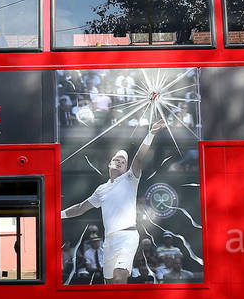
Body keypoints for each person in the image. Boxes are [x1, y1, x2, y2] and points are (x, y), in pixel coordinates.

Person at [61, 120, 166, 283]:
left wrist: (151, 133)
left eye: (123, 162)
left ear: (126, 169)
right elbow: (81, 208)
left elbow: (138, 158)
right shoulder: (101, 189)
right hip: (109, 240)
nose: (119, 162)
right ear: (109, 164)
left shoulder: (130, 178)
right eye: (116, 159)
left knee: (119, 277)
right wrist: (58, 215)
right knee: (109, 285)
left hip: (127, 236)